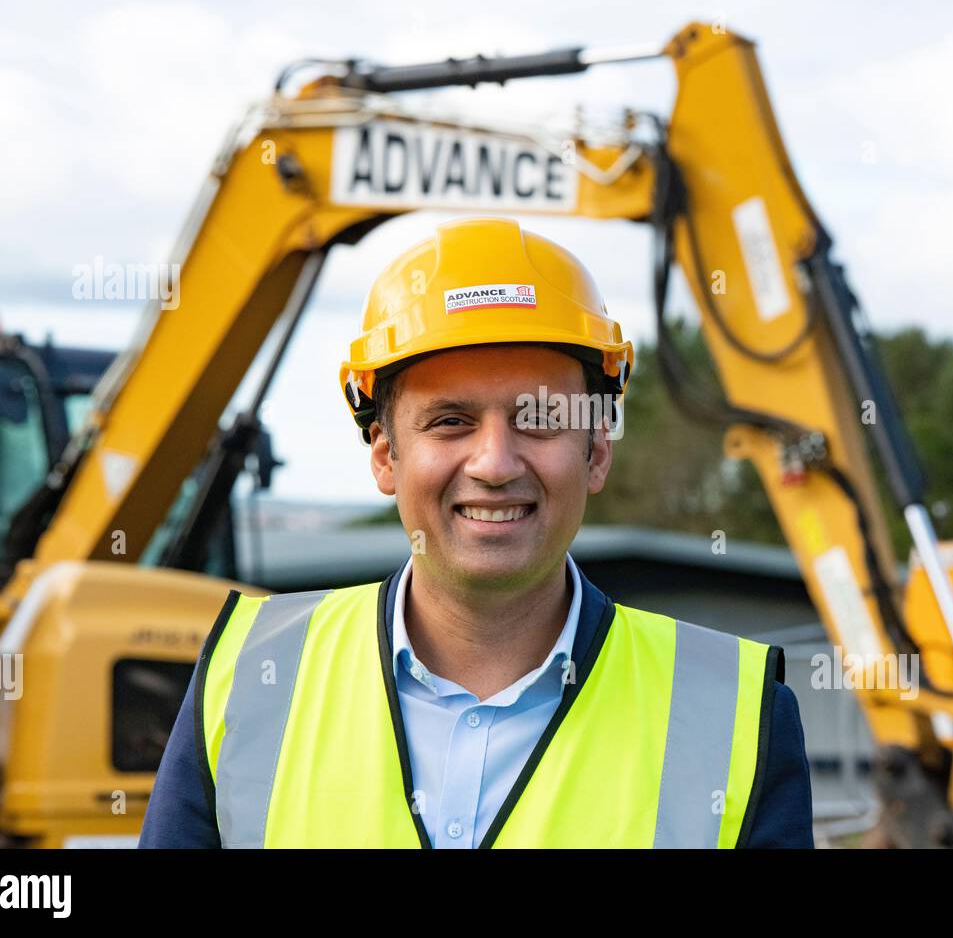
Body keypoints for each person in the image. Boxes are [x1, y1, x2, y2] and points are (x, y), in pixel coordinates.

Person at [139, 217, 813, 848]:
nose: (494, 463)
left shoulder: (735, 713)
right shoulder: (247, 680)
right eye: (450, 421)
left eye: (539, 417)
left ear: (597, 450)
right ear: (384, 455)